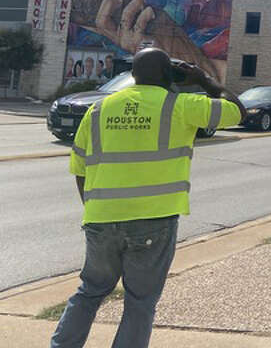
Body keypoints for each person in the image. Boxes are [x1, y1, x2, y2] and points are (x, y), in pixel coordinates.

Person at [51, 48, 246, 348]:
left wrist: (94, 209)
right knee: (140, 302)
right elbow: (237, 111)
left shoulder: (99, 109)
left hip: (101, 220)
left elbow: (79, 167)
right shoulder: (179, 105)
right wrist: (205, 80)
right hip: (153, 223)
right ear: (169, 74)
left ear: (133, 75)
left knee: (90, 290)